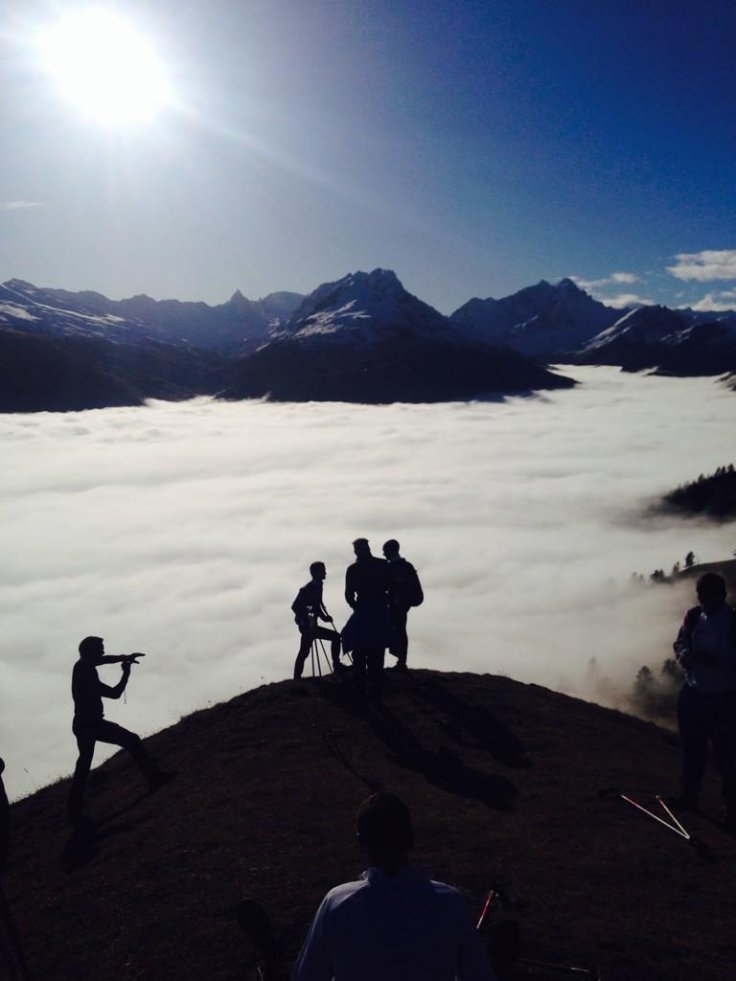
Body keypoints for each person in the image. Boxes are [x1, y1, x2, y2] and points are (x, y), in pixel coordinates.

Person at [292, 792, 496, 981]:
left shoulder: (337, 904)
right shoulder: (451, 903)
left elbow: (307, 974)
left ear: (361, 843)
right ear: (411, 839)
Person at [68, 636, 173, 822]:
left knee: (84, 762)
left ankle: (74, 806)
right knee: (131, 740)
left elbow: (102, 659)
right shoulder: (85, 670)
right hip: (91, 724)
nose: (102, 652)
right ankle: (154, 776)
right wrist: (126, 671)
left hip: (83, 723)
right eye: (99, 648)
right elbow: (115, 693)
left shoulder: (82, 666)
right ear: (90, 651)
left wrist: (123, 657)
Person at [672, 572, 736, 831]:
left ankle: (731, 810)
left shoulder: (733, 622)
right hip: (693, 692)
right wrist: (685, 655)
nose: (704, 600)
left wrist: (717, 662)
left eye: (709, 595)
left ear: (722, 595)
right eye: (701, 595)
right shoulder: (694, 616)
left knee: (727, 756)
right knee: (692, 749)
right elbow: (679, 642)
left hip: (726, 697)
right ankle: (689, 796)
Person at [342, 539, 392, 696]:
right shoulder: (382, 565)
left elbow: (349, 594)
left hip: (363, 610)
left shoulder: (353, 569)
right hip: (379, 609)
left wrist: (356, 606)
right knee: (377, 649)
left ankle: (360, 685)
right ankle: (375, 685)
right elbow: (391, 587)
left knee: (359, 648)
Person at [292, 562, 342, 680]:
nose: (325, 573)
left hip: (310, 625)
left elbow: (315, 605)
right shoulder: (307, 589)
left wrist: (324, 617)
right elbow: (295, 606)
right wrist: (306, 619)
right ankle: (337, 665)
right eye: (323, 570)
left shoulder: (317, 585)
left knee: (305, 650)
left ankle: (297, 677)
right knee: (305, 650)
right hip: (307, 625)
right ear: (317, 573)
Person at [383, 539, 423, 673]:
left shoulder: (395, 567)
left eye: (385, 551)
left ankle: (401, 662)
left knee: (398, 630)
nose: (384, 554)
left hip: (398, 604)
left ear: (390, 551)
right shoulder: (406, 566)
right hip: (400, 604)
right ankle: (401, 661)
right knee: (399, 630)